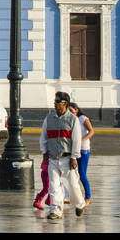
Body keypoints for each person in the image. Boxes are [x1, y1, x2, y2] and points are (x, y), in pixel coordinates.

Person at [39, 91, 85, 220]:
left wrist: (74, 157)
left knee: (73, 185)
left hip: (67, 158)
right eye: (55, 101)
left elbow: (76, 140)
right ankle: (56, 210)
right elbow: (44, 136)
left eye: (57, 101)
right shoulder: (49, 118)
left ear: (65, 103)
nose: (55, 104)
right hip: (53, 158)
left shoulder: (72, 119)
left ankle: (79, 204)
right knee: (54, 186)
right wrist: (44, 152)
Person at [69, 100, 94, 206]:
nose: (70, 113)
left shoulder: (82, 119)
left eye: (71, 110)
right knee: (71, 173)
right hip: (73, 149)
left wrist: (82, 140)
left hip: (83, 149)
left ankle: (88, 197)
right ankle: (68, 196)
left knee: (82, 173)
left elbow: (92, 131)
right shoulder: (70, 120)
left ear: (76, 110)